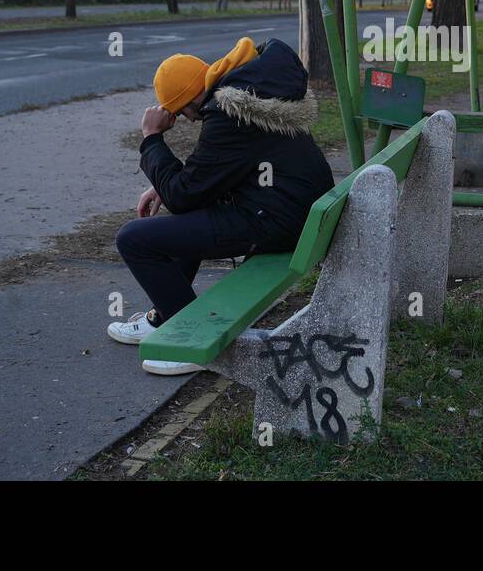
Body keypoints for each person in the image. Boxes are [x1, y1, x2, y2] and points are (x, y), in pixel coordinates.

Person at [108, 36, 335, 375]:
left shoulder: (227, 114)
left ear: (187, 101)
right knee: (190, 213)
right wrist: (163, 183)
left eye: (181, 111)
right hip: (296, 212)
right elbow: (214, 172)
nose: (187, 119)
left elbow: (185, 194)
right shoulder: (250, 90)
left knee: (133, 239)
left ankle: (190, 342)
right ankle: (164, 318)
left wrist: (152, 139)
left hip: (278, 223)